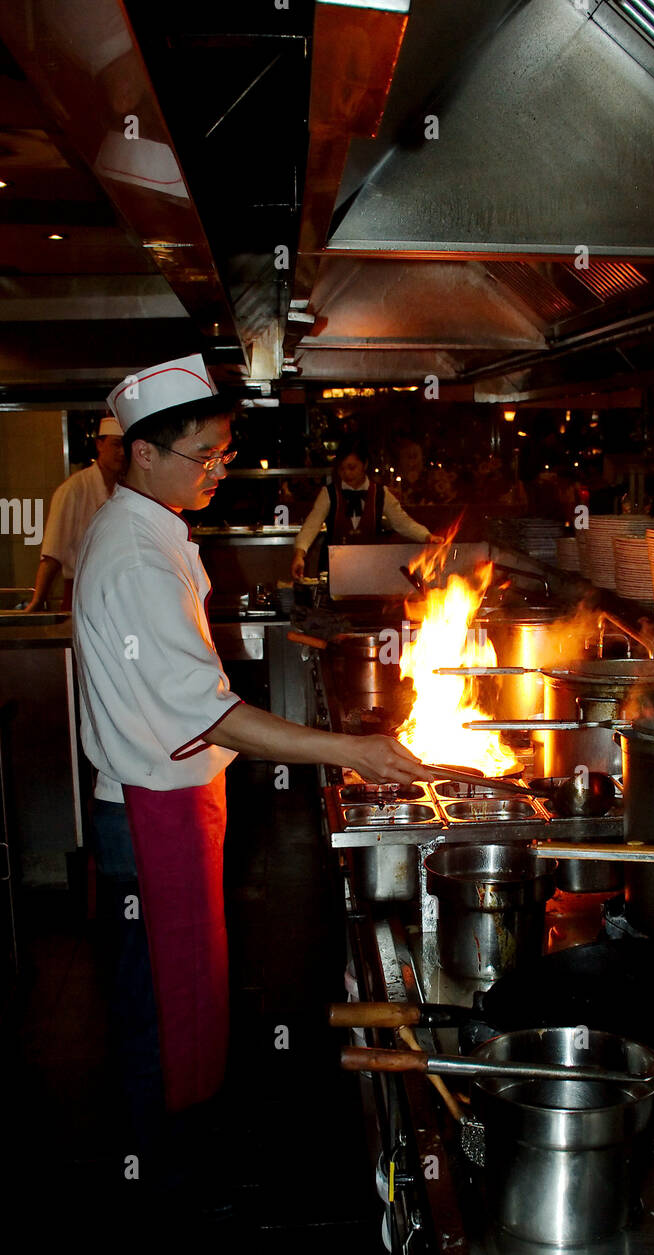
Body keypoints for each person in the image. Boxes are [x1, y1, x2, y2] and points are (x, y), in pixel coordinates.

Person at [73, 354, 423, 1198]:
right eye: (207, 455)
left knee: (173, 996)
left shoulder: (150, 531)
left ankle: (168, 1158)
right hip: (150, 816)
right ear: (143, 453)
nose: (218, 470)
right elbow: (212, 714)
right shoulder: (135, 559)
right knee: (160, 1008)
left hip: (170, 803)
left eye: (224, 454)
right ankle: (162, 1185)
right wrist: (355, 753)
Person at [290, 437, 441, 581]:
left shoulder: (381, 493)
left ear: (365, 465)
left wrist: (427, 536)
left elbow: (403, 523)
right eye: (342, 469)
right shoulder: (329, 493)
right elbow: (311, 526)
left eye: (352, 467)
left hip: (371, 568)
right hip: (334, 569)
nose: (347, 474)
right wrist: (299, 554)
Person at [26, 416, 124, 611]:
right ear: (99, 444)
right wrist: (38, 601)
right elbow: (52, 553)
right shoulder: (74, 489)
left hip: (121, 595)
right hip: (81, 595)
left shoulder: (128, 487)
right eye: (116, 445)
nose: (122, 453)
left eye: (125, 446)